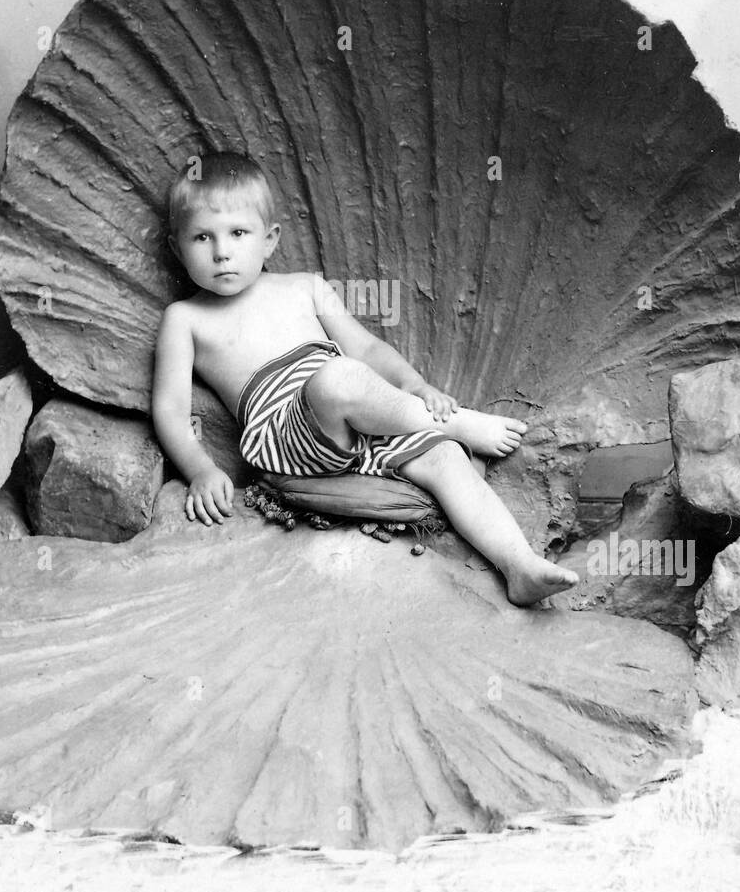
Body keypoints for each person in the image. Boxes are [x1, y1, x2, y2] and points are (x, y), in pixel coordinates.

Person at [152, 152, 579, 607]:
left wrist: (415, 387)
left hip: (359, 423)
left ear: (270, 239)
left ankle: (518, 565)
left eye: (238, 233)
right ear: (178, 248)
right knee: (336, 378)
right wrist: (200, 470)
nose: (222, 251)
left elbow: (370, 349)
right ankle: (457, 423)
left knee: (445, 461)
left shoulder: (305, 287)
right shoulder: (185, 318)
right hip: (286, 436)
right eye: (202, 237)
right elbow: (171, 409)